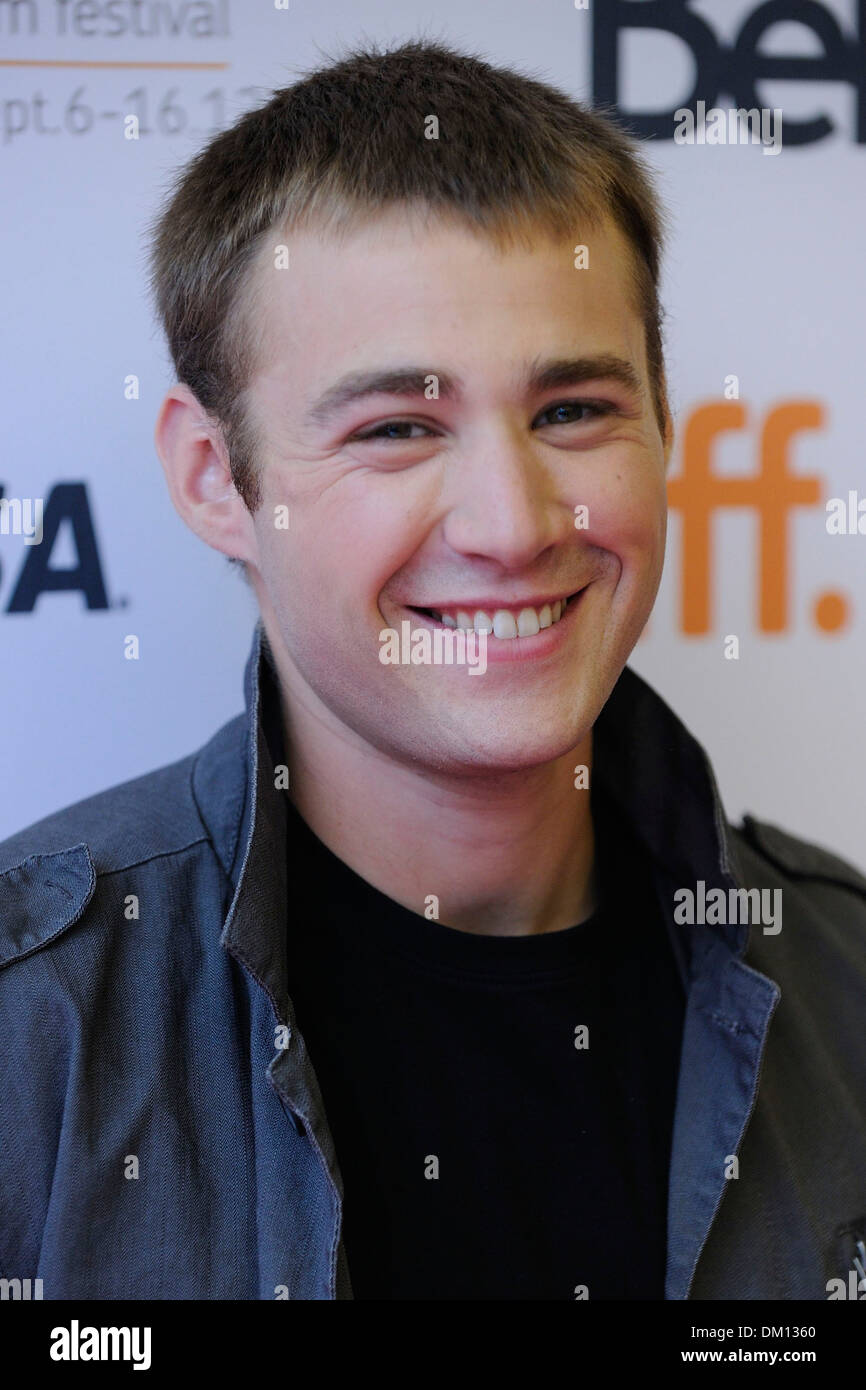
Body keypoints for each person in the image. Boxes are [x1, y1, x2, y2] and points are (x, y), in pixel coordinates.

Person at [1, 39, 865, 1303]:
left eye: (571, 410)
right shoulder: (34, 1029)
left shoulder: (843, 973)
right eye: (396, 429)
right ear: (211, 477)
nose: (511, 525)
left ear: (664, 420)